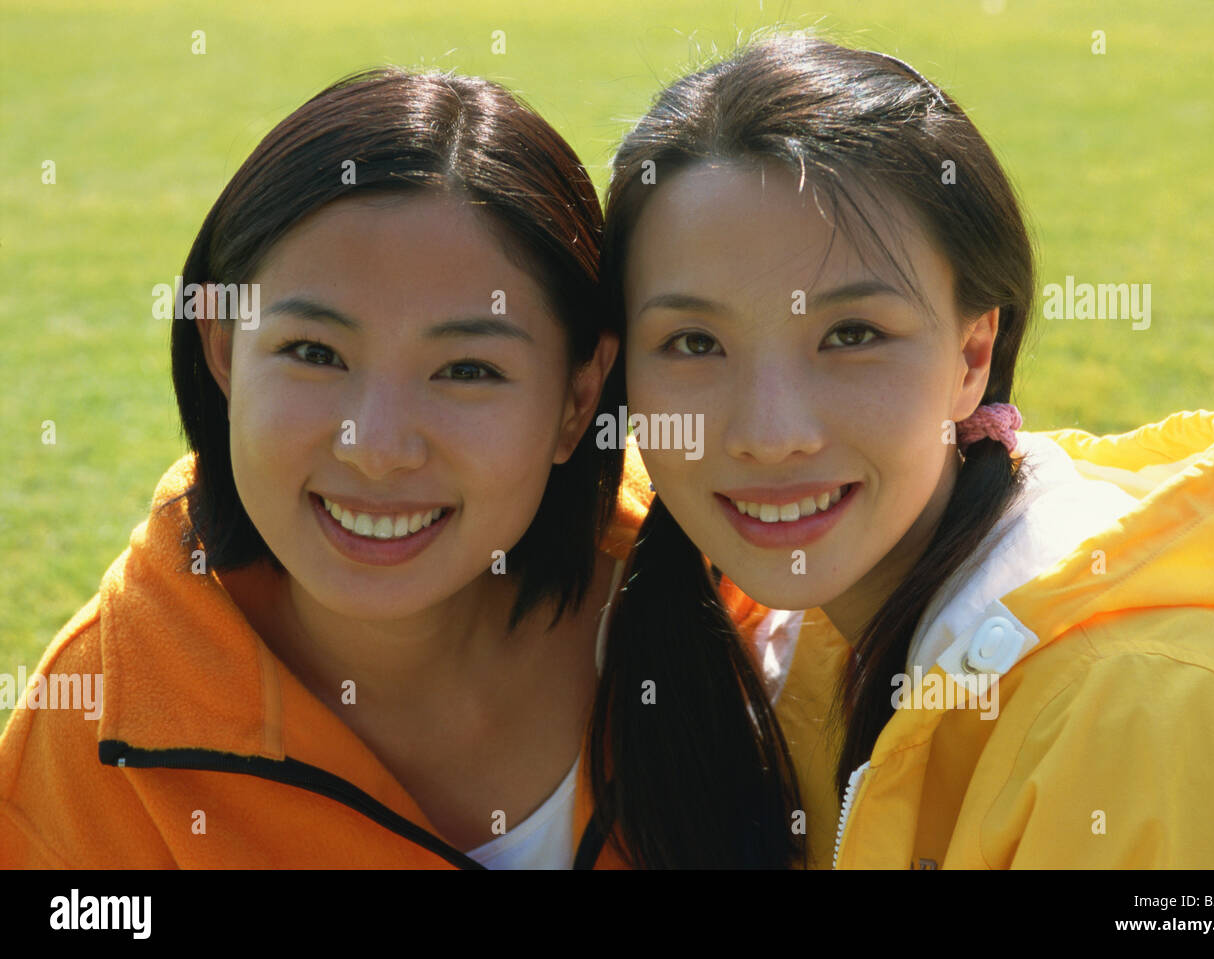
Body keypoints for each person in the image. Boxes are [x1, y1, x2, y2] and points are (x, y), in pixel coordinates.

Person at [0, 67, 799, 869]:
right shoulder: (96, 721)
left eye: (466, 370)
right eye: (314, 353)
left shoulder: (730, 586)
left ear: (576, 398)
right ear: (224, 352)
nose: (376, 446)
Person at [601, 34, 1214, 867]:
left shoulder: (1156, 712)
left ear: (972, 357)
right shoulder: (784, 632)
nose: (770, 433)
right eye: (692, 342)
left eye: (851, 334)